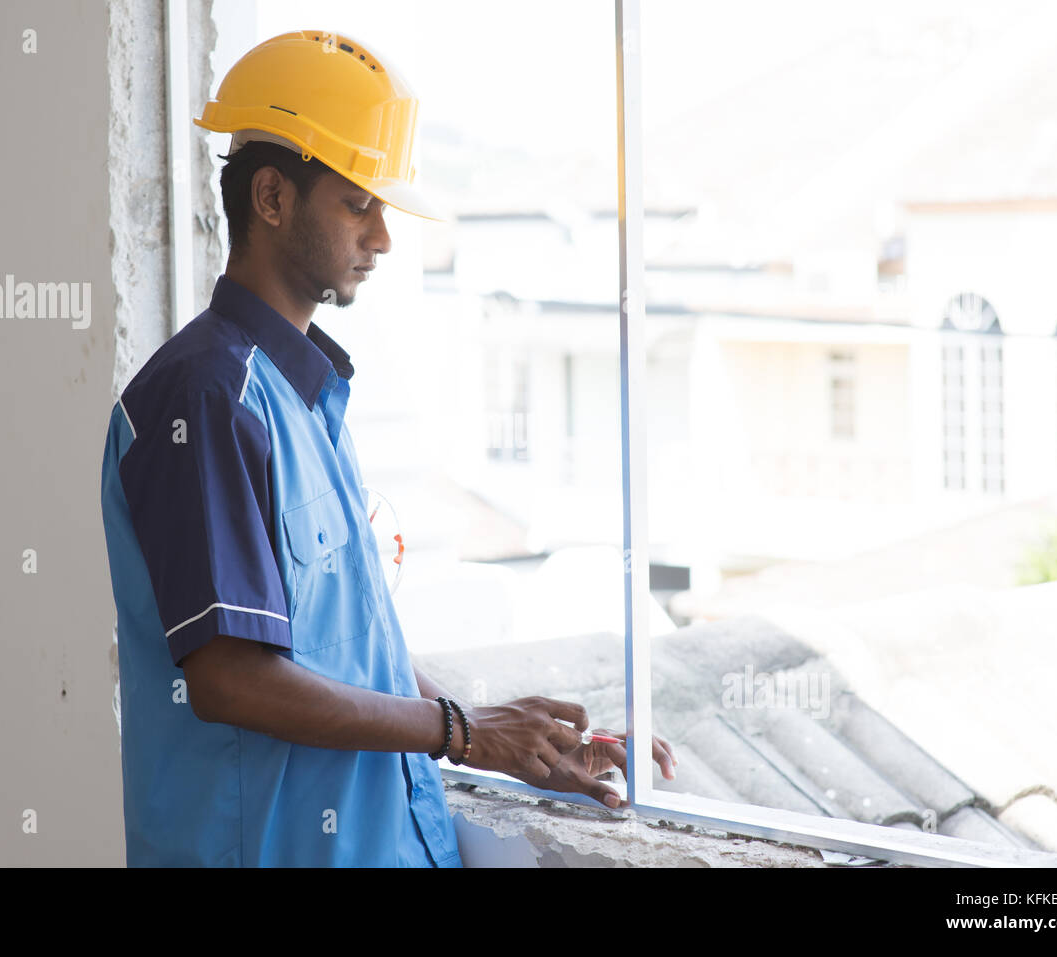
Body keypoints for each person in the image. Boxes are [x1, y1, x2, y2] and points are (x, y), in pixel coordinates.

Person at [99, 29, 675, 867]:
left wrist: (515, 739)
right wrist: (463, 733)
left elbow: (352, 647)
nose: (383, 237)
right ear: (271, 198)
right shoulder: (207, 397)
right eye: (358, 203)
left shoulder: (304, 395)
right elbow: (230, 679)